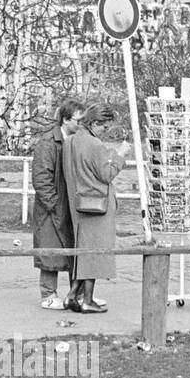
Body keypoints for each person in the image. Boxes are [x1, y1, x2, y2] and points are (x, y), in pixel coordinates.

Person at [61, 105, 129, 314]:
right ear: (95, 123)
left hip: (77, 203)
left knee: (83, 252)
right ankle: (87, 300)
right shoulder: (95, 145)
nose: (106, 132)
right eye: (105, 127)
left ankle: (72, 295)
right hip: (97, 206)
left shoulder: (72, 141)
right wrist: (120, 155)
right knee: (95, 254)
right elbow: (106, 174)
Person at [32, 99, 86, 311]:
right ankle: (48, 294)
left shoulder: (74, 141)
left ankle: (76, 294)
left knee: (73, 250)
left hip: (70, 204)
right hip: (52, 207)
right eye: (78, 120)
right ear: (65, 119)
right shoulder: (48, 143)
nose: (81, 125)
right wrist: (54, 204)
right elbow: (41, 179)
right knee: (50, 250)